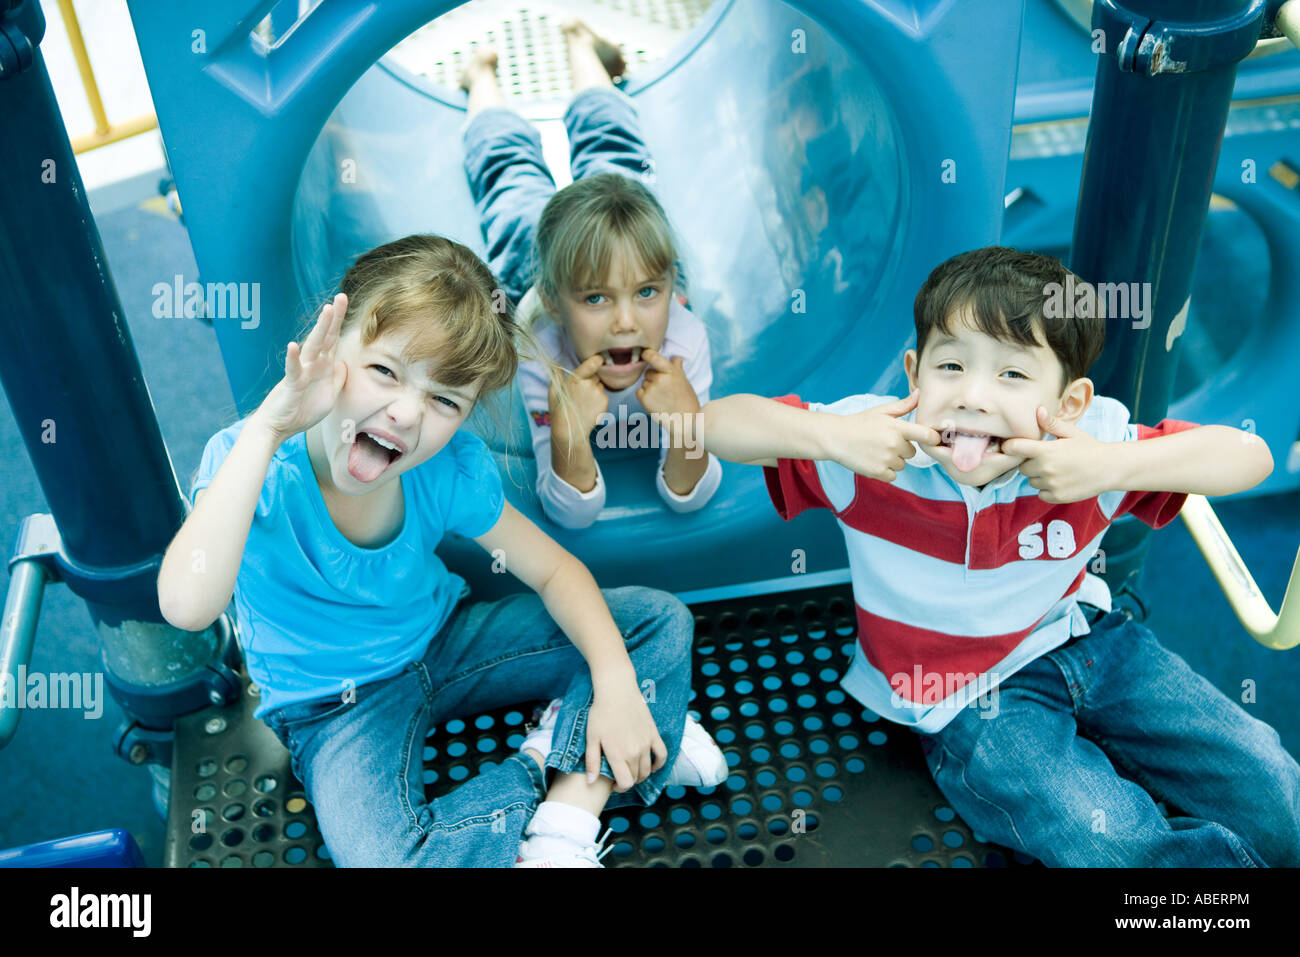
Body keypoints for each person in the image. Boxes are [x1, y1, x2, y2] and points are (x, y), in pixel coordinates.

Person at [699, 245, 1300, 866]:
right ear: (914, 375)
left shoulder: (1088, 448)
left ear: (1069, 405)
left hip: (1091, 643)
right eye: (951, 366)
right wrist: (829, 436)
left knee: (1274, 796)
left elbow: (1251, 456)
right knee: (1108, 838)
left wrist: (1113, 464)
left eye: (1012, 375)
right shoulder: (867, 448)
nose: (974, 397)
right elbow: (711, 424)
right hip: (964, 693)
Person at [156, 234, 721, 868]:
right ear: (330, 342)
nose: (403, 413)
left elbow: (557, 569)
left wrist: (616, 684)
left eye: (445, 400)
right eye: (384, 372)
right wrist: (268, 427)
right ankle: (548, 759)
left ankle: (569, 814)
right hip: (335, 707)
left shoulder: (445, 467)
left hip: (446, 642)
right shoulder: (251, 460)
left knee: (655, 619)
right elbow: (186, 606)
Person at [460, 18, 722, 529]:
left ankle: (581, 43)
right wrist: (568, 431)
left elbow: (691, 497)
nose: (626, 322)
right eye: (596, 300)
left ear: (667, 284)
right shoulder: (544, 354)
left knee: (614, 150)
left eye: (648, 293)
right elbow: (571, 514)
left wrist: (688, 425)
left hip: (615, 247)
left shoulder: (684, 340)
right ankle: (480, 76)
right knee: (510, 177)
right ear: (560, 305)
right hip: (527, 269)